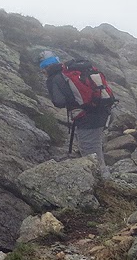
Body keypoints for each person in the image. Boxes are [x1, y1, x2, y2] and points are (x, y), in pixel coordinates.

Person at [38, 50, 112, 178]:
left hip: (88, 117)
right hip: (104, 110)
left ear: (45, 67)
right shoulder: (70, 69)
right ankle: (103, 178)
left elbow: (59, 102)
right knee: (94, 146)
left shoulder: (54, 78)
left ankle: (105, 184)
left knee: (91, 154)